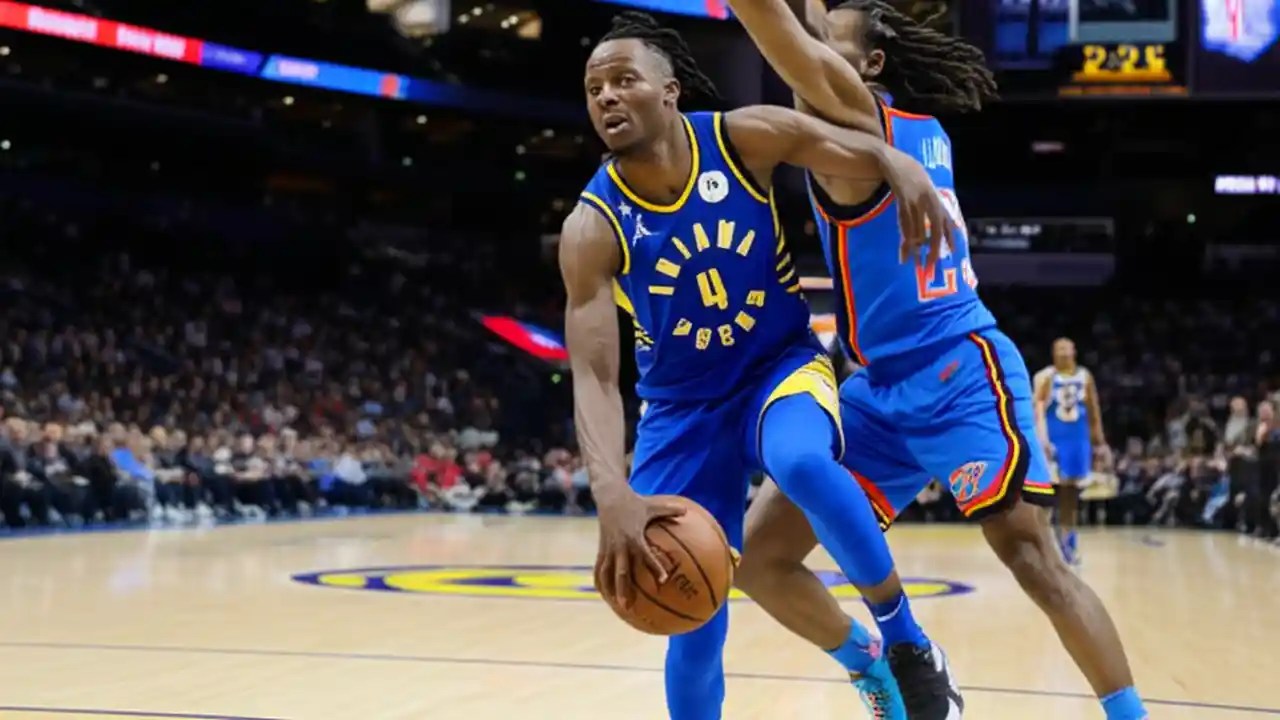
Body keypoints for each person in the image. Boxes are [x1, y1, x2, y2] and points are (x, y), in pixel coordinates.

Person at [722, 1, 1149, 718]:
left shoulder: (867, 124)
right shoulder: (913, 132)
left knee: (1033, 561)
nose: (812, 47)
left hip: (958, 369)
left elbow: (786, 39)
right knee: (759, 560)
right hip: (877, 389)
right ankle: (885, 666)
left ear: (871, 65)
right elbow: (800, 31)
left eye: (829, 40)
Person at [562, 12, 958, 719]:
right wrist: (610, 492)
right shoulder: (593, 225)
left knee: (801, 462)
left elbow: (829, 143)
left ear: (670, 91)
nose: (607, 97)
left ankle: (906, 640)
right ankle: (863, 656)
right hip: (681, 410)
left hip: (778, 366)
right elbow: (594, 376)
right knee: (691, 620)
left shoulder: (739, 137)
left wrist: (895, 161)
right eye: (595, 89)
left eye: (624, 80)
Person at [1034, 337, 1109, 565]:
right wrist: (1042, 439)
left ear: (1074, 351)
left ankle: (1068, 541)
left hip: (1078, 440)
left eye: (1067, 348)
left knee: (1071, 495)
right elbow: (1037, 408)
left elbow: (1094, 410)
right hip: (1054, 439)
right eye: (1059, 349)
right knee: (1044, 494)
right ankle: (1042, 544)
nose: (1064, 353)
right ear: (1053, 353)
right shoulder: (1045, 376)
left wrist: (1100, 443)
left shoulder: (1085, 376)